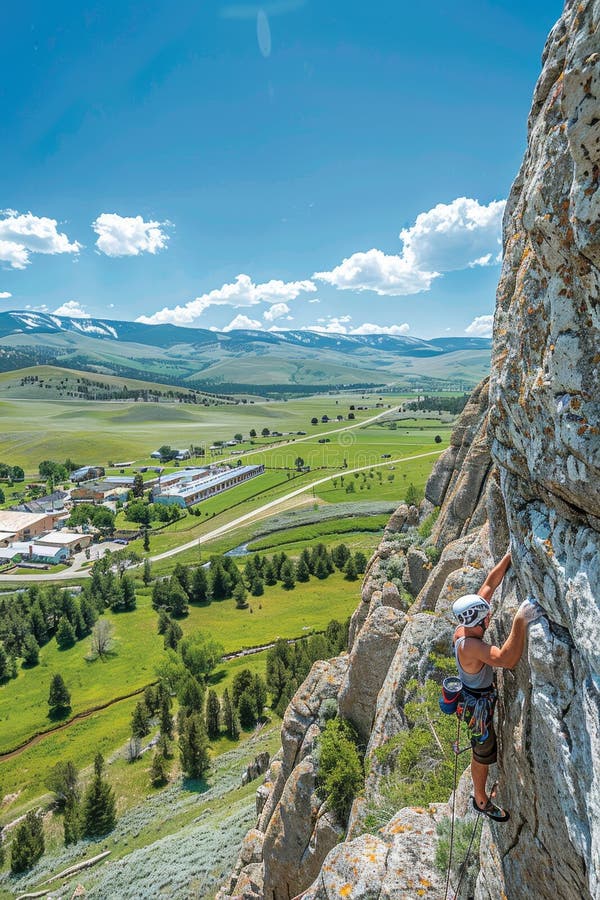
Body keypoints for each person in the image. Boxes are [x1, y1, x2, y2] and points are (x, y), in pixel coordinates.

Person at [452, 551, 542, 822]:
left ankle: (480, 795)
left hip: (475, 697)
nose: (490, 618)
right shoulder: (469, 646)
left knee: (482, 749)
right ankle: (480, 800)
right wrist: (520, 621)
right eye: (487, 616)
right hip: (476, 707)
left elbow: (489, 585)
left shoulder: (465, 628)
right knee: (483, 752)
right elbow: (506, 659)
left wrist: (509, 556)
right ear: (481, 621)